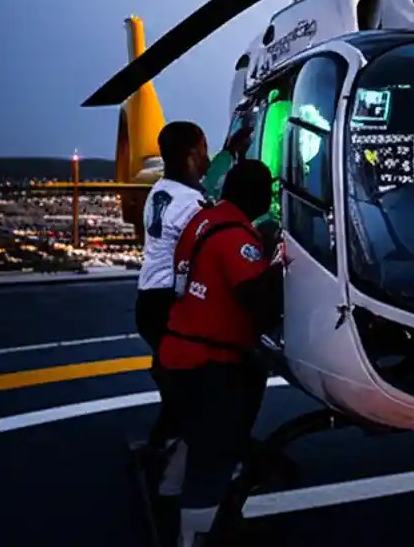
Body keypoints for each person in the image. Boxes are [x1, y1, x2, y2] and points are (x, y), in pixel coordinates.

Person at [159, 159, 285, 546]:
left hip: (176, 352)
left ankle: (167, 492)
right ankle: (194, 536)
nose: (269, 199)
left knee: (195, 436)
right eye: (267, 192)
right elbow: (259, 305)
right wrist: (279, 267)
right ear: (254, 194)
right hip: (208, 363)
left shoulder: (204, 221)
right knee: (216, 453)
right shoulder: (238, 240)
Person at [135, 121, 211, 493]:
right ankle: (168, 456)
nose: (208, 157)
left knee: (171, 376)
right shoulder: (193, 204)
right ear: (192, 155)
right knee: (189, 386)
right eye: (204, 149)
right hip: (168, 302)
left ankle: (162, 444)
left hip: (147, 297)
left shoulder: (160, 191)